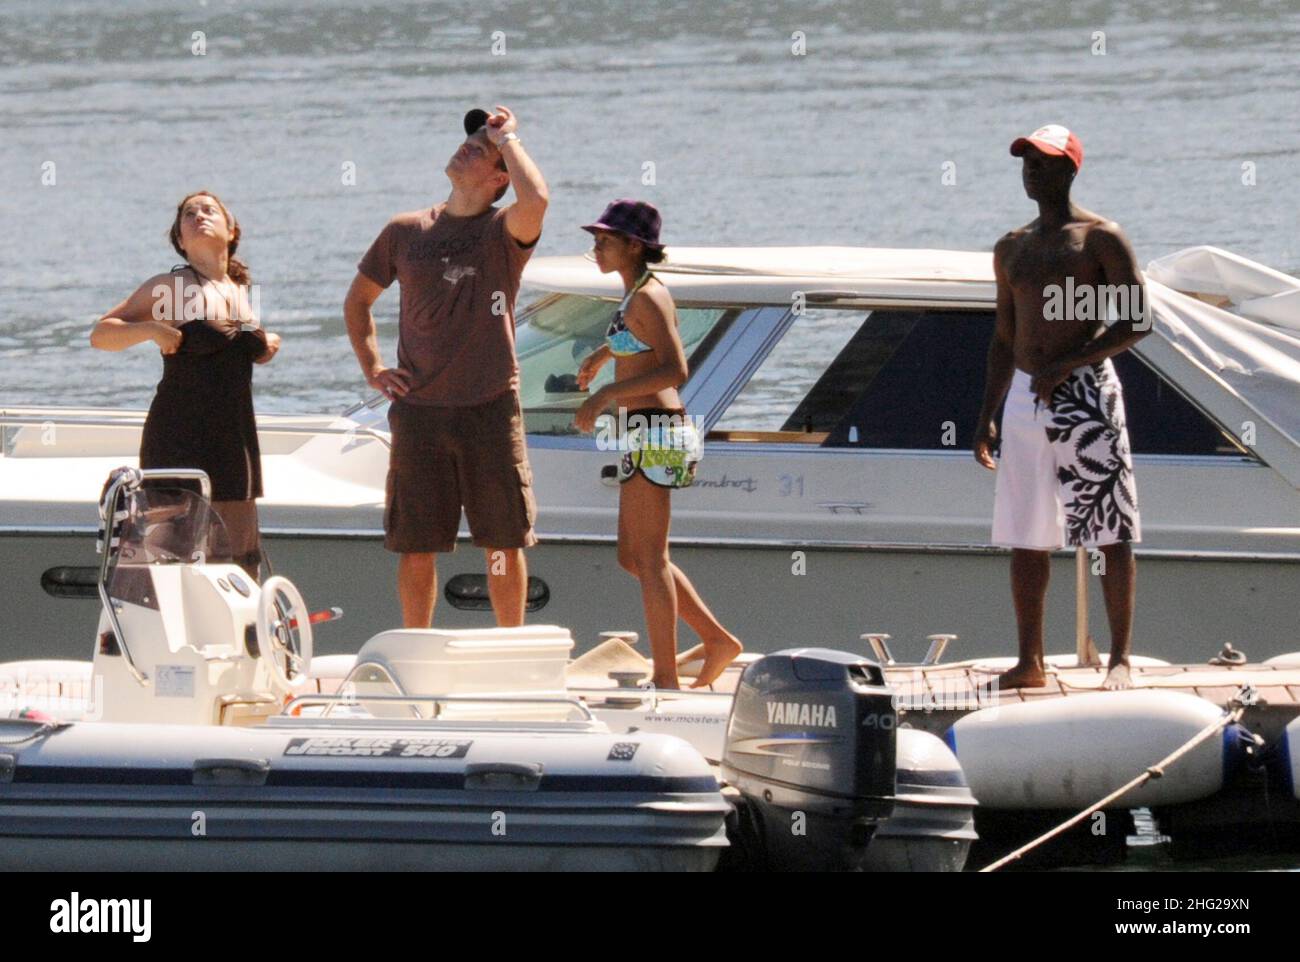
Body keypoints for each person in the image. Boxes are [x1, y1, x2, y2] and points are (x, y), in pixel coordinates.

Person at [344, 106, 547, 628]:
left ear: (499, 176)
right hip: (419, 413)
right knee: (417, 545)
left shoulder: (505, 230)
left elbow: (538, 198)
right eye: (469, 143)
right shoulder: (405, 231)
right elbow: (358, 301)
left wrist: (510, 139)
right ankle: (416, 647)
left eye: (480, 151)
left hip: (490, 408)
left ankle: (511, 648)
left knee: (501, 542)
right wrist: (374, 368)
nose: (466, 148)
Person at [973, 125, 1149, 691]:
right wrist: (987, 414)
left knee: (1107, 525)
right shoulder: (1012, 246)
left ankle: (1119, 656)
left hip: (1086, 392)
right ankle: (1031, 661)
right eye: (1026, 161)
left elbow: (1134, 322)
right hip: (1027, 393)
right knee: (1025, 533)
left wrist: (1069, 362)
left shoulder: (1099, 238)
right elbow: (1005, 337)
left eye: (1044, 163)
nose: (1032, 171)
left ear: (1070, 169)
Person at [573, 200, 742, 689]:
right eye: (596, 238)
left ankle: (666, 677)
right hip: (640, 428)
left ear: (634, 246)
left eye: (606, 240)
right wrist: (605, 355)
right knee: (634, 557)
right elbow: (639, 342)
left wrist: (605, 393)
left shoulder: (648, 297)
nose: (597, 247)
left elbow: (674, 369)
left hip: (657, 429)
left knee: (649, 559)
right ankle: (715, 640)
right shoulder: (635, 295)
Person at [91, 191, 280, 579]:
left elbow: (233, 350)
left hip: (235, 441)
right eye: (188, 214)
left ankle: (235, 639)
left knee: (237, 566)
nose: (198, 216)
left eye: (208, 210)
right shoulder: (172, 289)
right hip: (181, 440)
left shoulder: (240, 289)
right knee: (176, 562)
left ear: (232, 231)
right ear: (179, 239)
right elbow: (101, 334)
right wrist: (150, 330)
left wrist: (264, 345)